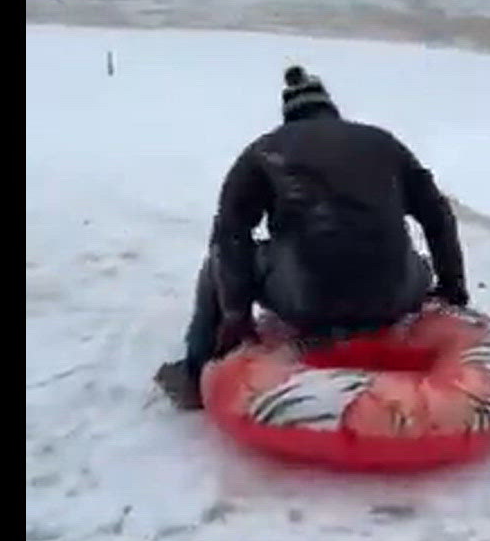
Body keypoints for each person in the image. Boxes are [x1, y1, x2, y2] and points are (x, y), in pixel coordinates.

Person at [153, 66, 470, 409]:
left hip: (306, 301)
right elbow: (437, 215)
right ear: (332, 110)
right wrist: (452, 286)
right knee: (413, 259)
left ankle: (194, 373)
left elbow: (230, 236)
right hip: (395, 297)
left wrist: (236, 317)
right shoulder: (383, 143)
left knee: (213, 263)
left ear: (289, 117)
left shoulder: (263, 151)